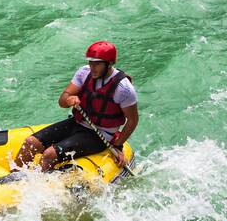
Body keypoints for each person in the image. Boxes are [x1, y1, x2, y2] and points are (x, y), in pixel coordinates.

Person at [17, 41, 139, 171]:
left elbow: (132, 120)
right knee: (30, 143)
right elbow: (62, 101)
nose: (92, 67)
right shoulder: (84, 73)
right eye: (90, 62)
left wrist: (118, 145)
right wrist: (69, 99)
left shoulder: (123, 88)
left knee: (49, 155)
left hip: (100, 135)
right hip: (77, 123)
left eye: (97, 63)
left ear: (109, 64)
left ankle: (36, 186)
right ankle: (12, 178)